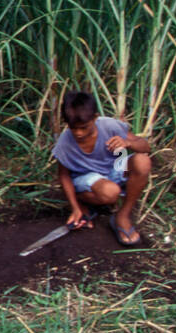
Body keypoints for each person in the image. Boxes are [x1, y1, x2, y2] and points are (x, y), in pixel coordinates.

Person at [51, 91, 152, 245]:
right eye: (73, 128)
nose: (78, 133)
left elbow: (145, 147)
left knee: (142, 161)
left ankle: (122, 216)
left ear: (95, 118)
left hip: (111, 171)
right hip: (85, 178)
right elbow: (64, 176)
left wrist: (128, 143)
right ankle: (84, 202)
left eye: (84, 127)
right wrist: (75, 208)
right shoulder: (65, 142)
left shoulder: (109, 126)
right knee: (110, 192)